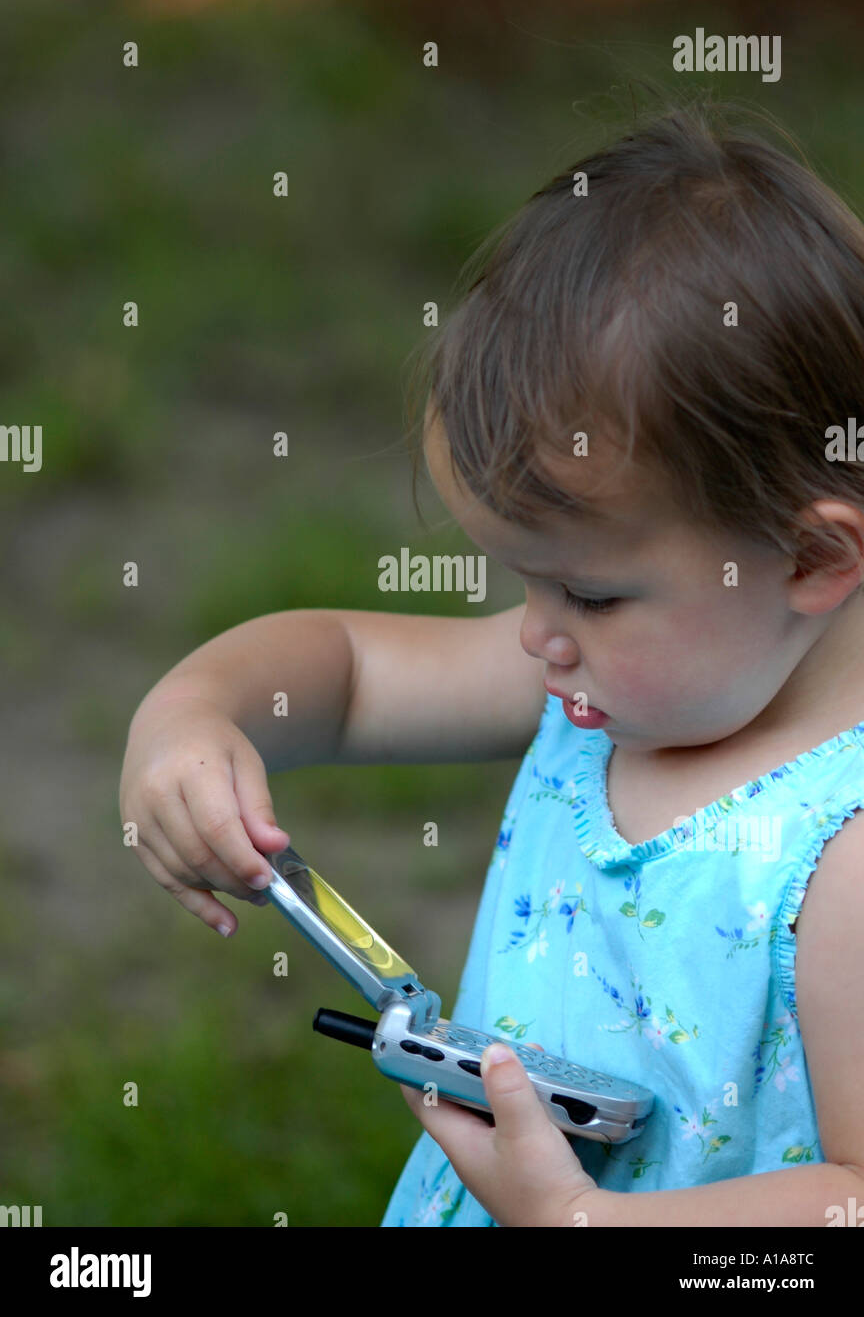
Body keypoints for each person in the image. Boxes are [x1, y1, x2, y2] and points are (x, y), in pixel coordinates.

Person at [119, 100, 864, 1226]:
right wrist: (194, 714)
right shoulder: (598, 685)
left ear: (813, 556)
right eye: (522, 580)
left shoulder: (839, 854)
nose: (533, 634)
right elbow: (353, 668)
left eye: (590, 591)